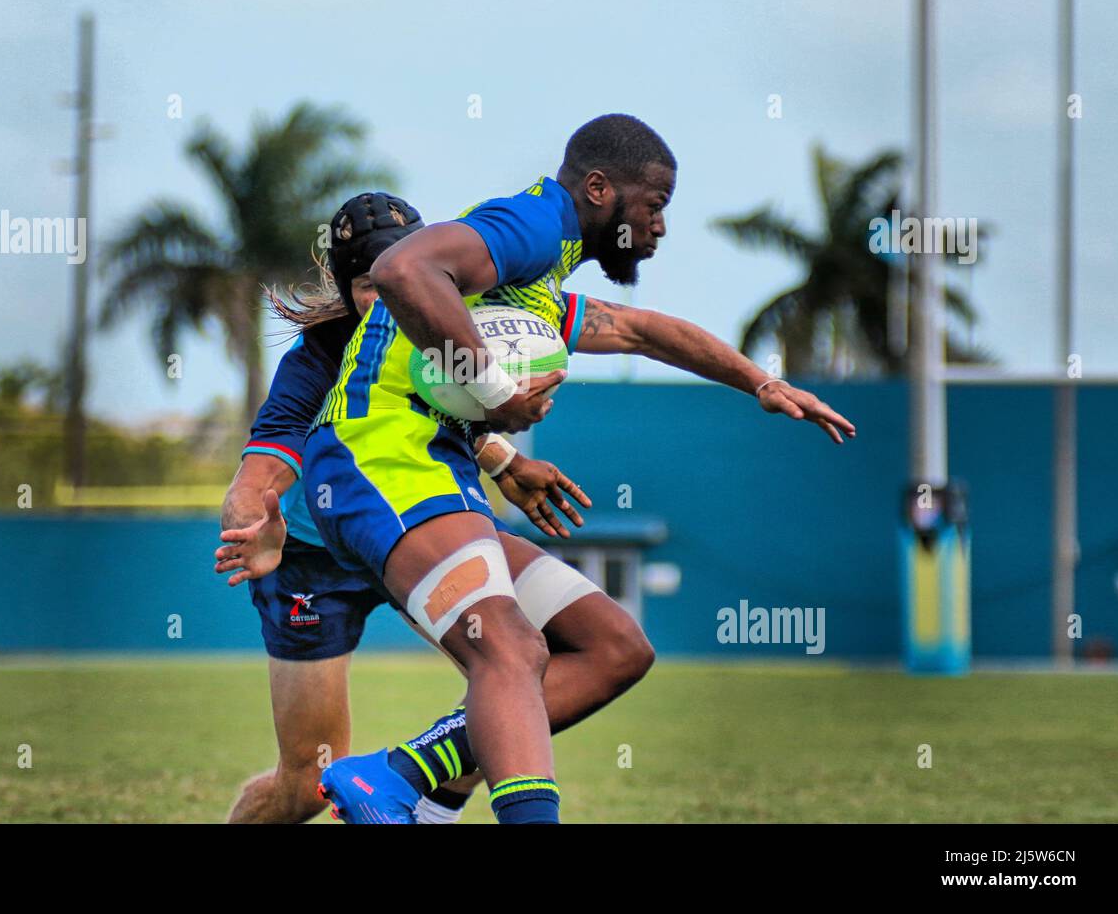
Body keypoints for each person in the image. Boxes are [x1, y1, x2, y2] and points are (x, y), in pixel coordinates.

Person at [307, 114, 857, 824]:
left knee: (614, 646)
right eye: (654, 205)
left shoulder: (535, 276)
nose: (659, 228)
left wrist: (762, 383)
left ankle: (400, 776)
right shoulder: (534, 222)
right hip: (378, 457)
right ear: (600, 189)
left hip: (435, 472)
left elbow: (640, 329)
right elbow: (402, 267)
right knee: (507, 646)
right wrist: (497, 394)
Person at [215, 191, 654, 824]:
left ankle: (428, 803)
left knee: (507, 673)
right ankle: (400, 793)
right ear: (346, 289)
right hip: (310, 561)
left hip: (407, 532)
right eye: (369, 285)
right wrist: (253, 523)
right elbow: (258, 472)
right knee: (307, 781)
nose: (386, 297)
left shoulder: (445, 321)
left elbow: (448, 409)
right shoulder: (315, 359)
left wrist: (503, 460)